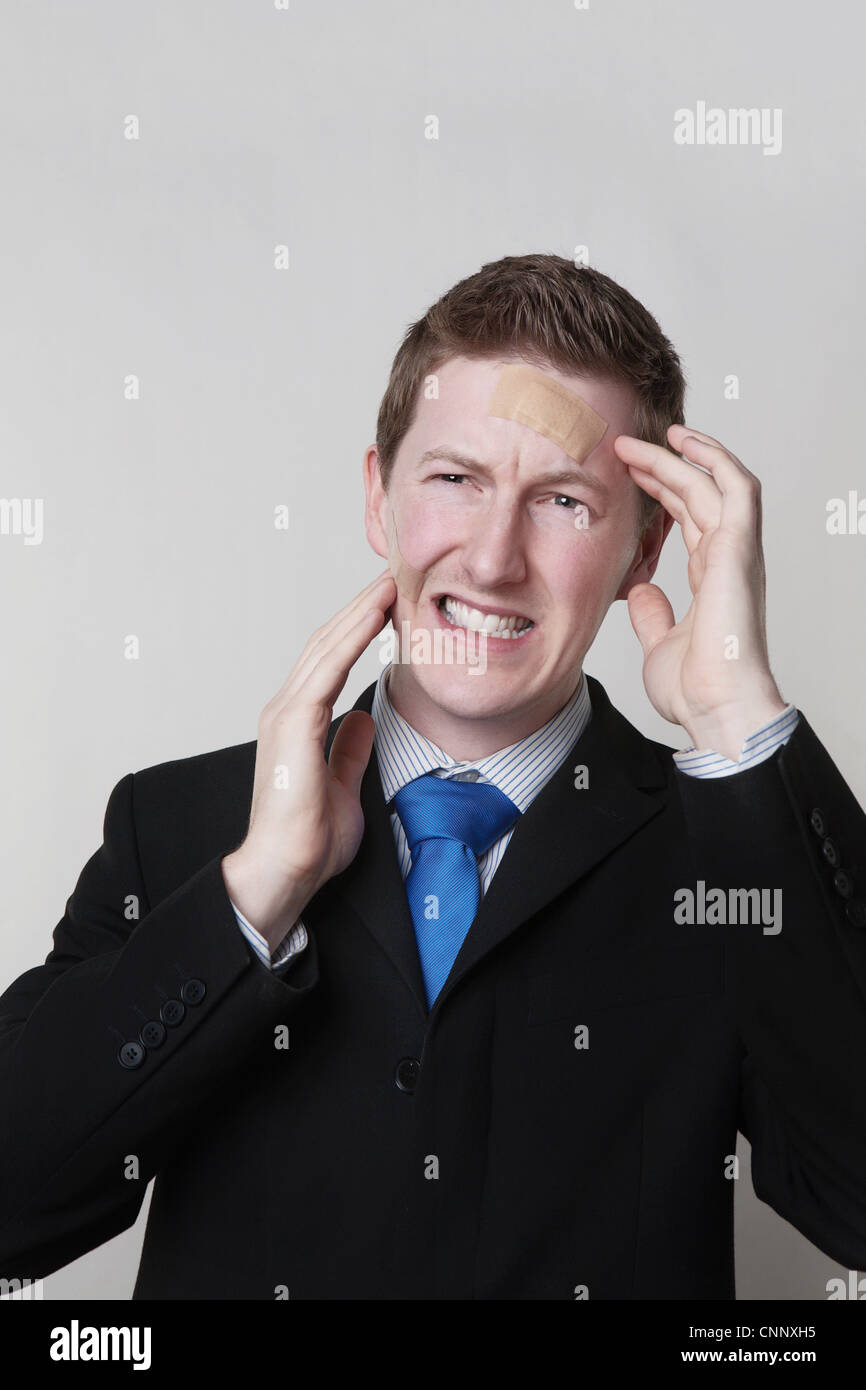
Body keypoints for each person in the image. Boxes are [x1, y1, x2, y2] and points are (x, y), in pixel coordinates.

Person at [1, 254, 864, 1300]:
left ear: (645, 550)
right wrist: (255, 893)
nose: (493, 558)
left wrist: (739, 719)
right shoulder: (178, 826)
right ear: (379, 497)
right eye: (455, 480)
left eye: (562, 500)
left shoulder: (724, 850)